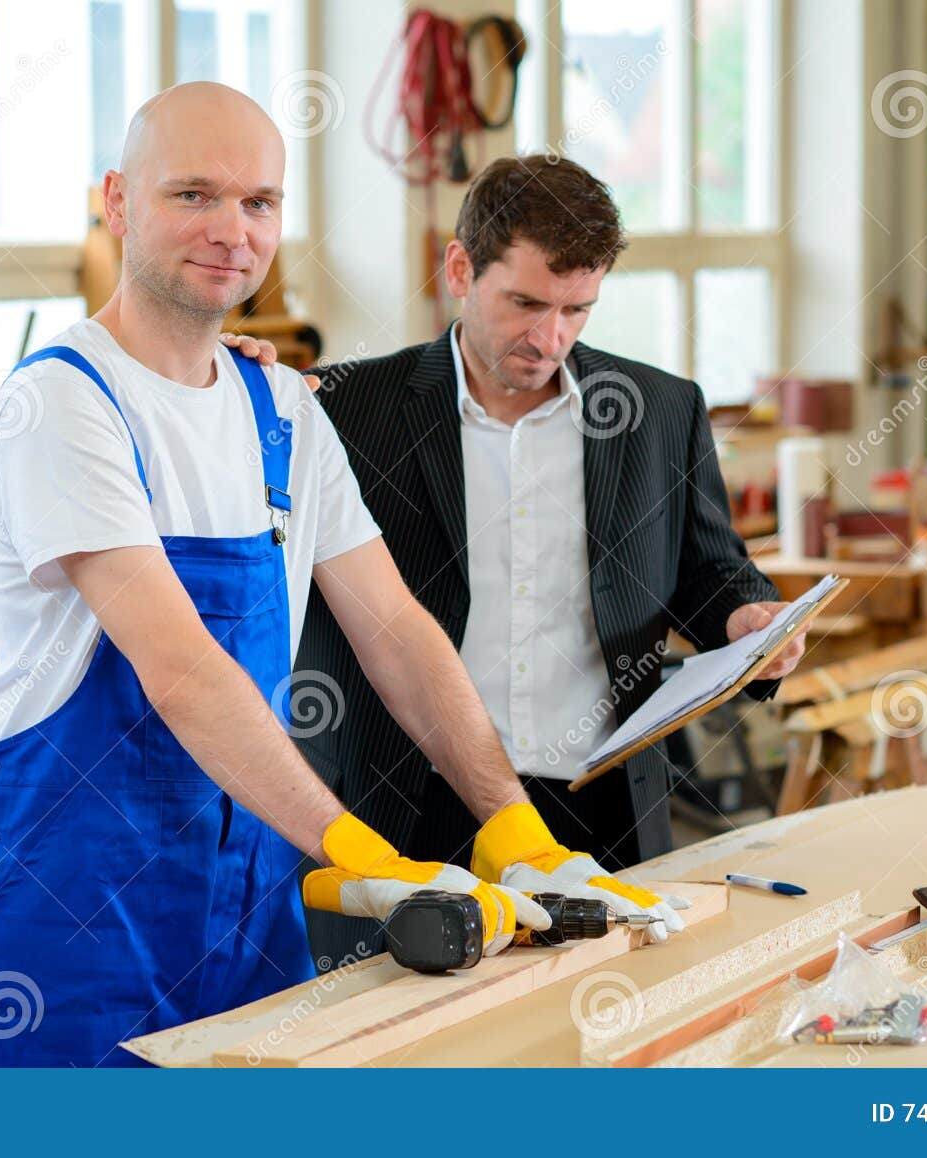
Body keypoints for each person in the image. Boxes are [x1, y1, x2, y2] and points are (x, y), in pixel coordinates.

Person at [0, 86, 681, 1067]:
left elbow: (397, 634)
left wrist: (515, 825)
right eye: (193, 195)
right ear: (115, 202)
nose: (231, 232)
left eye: (259, 203)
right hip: (70, 923)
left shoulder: (281, 408)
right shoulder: (64, 406)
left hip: (242, 905)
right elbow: (184, 673)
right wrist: (358, 851)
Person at [296, 154, 804, 967]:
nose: (550, 337)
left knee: (606, 1036)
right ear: (461, 268)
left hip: (601, 806)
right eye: (525, 303)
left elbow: (713, 571)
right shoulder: (349, 408)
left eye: (577, 309)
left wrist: (748, 617)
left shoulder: (658, 411)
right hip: (411, 801)